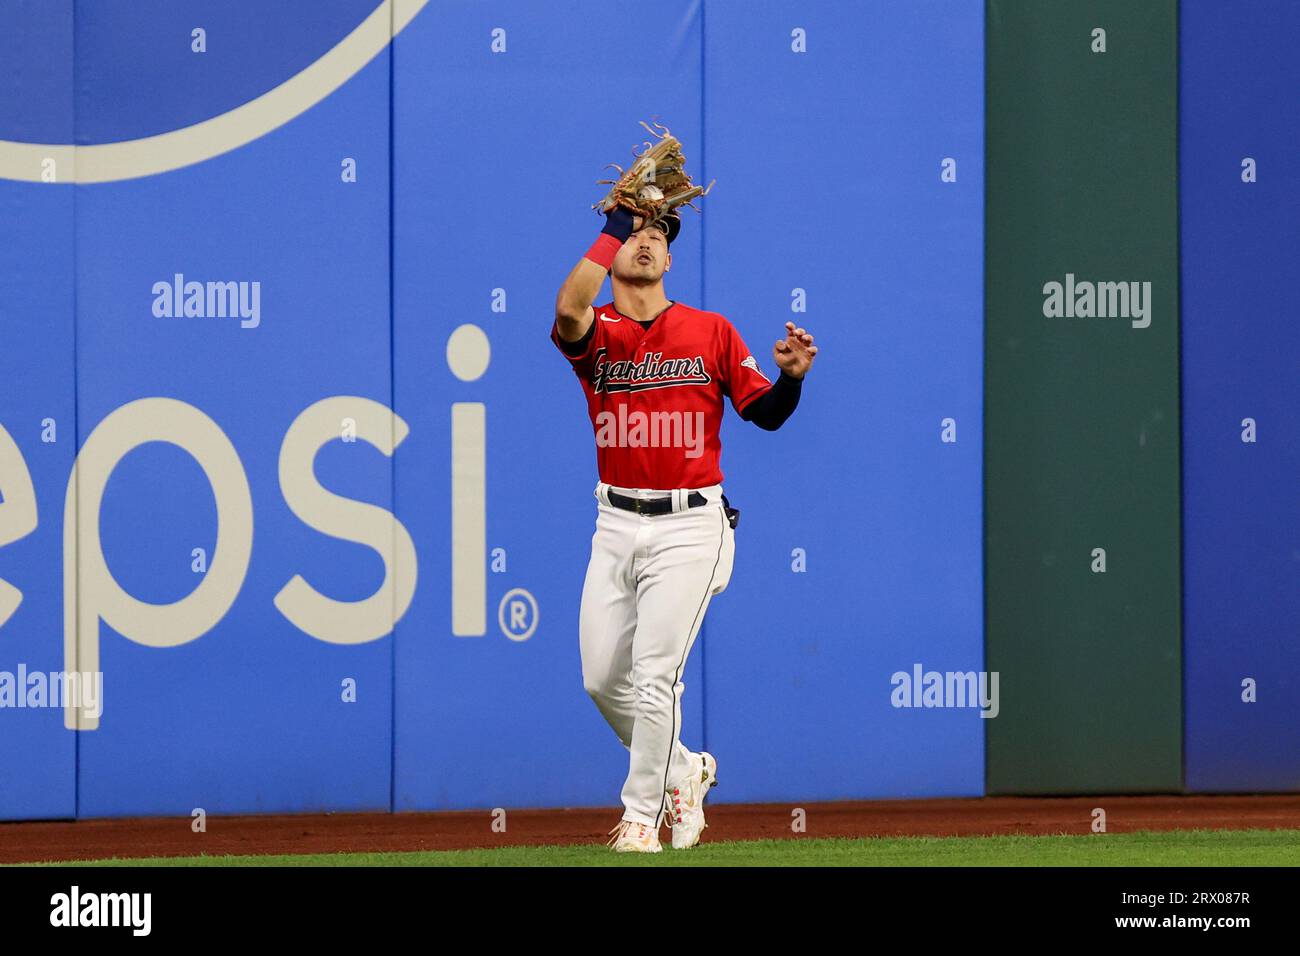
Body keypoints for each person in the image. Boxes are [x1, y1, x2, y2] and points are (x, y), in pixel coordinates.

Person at [551, 204, 818, 852]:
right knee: (599, 679)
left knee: (653, 676)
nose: (645, 242)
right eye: (635, 234)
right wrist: (614, 223)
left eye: (657, 237)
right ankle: (684, 770)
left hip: (691, 526)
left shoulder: (711, 332)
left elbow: (767, 415)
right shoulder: (598, 334)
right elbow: (567, 309)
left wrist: (790, 379)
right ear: (611, 249)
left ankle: (640, 821)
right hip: (614, 520)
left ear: (670, 260)